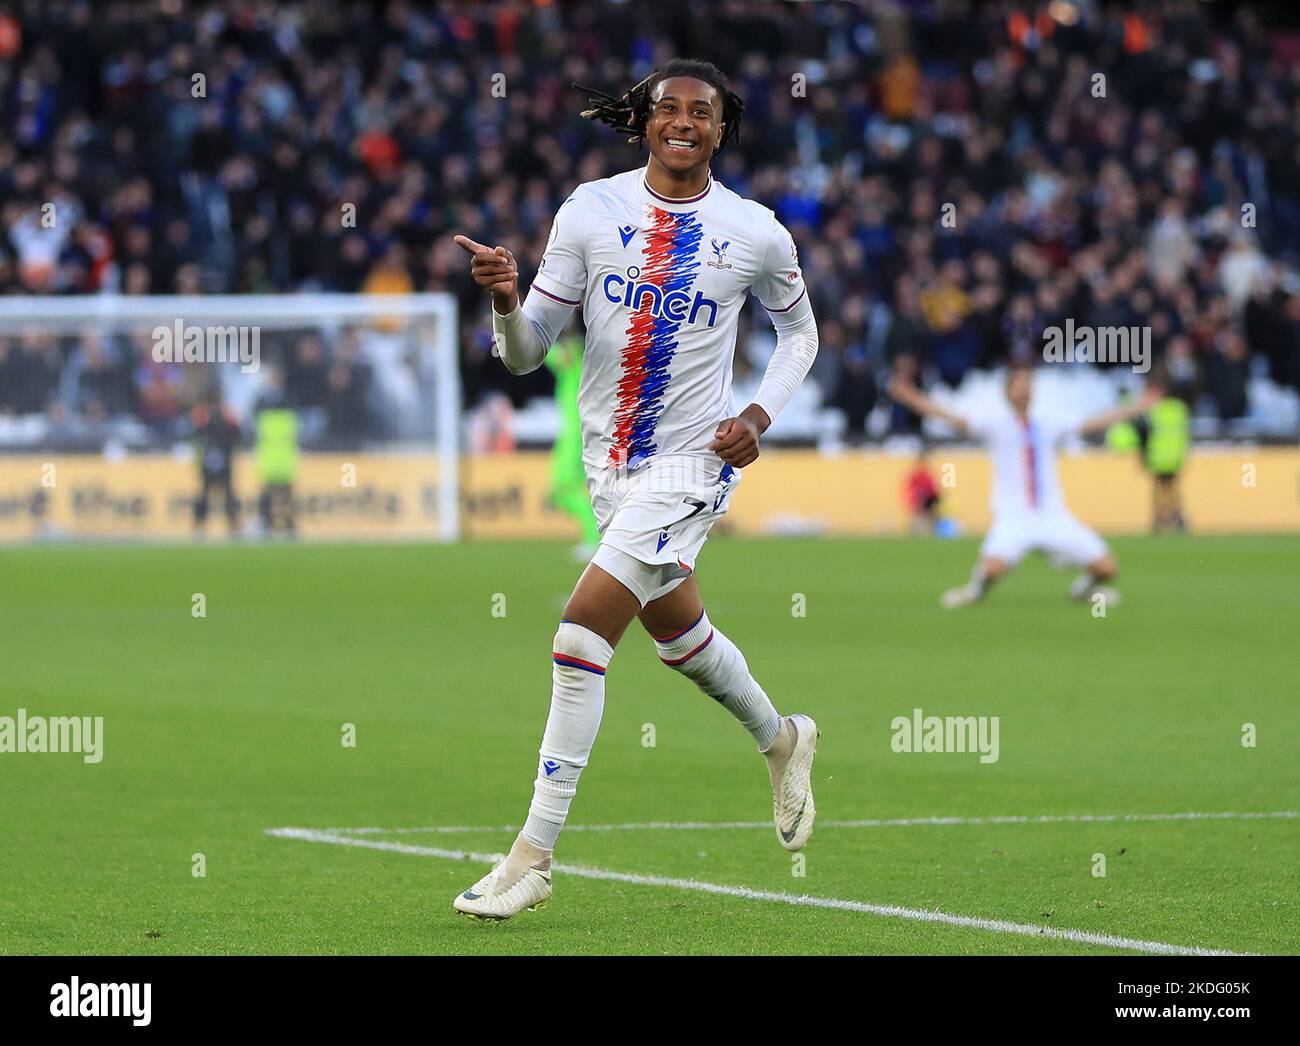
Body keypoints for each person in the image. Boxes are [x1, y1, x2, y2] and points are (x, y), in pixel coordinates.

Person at [450, 59, 821, 920]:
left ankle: (533, 856)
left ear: (722, 128)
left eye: (702, 111)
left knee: (579, 636)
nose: (683, 122)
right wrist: (506, 304)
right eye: (669, 109)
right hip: (610, 468)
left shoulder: (756, 231)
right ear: (646, 122)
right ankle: (783, 738)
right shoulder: (590, 210)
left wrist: (758, 416)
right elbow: (526, 351)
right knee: (678, 635)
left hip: (694, 467)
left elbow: (800, 335)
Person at [889, 365, 1160, 609]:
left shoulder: (1047, 422)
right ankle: (974, 592)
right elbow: (954, 419)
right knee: (992, 570)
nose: (1025, 389)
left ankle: (1082, 592)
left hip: (1052, 514)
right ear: (1008, 392)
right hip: (1014, 516)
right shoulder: (996, 424)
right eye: (1019, 384)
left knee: (1107, 569)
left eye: (1028, 384)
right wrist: (910, 398)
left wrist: (1136, 407)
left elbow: (1090, 424)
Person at [544, 331, 601, 556]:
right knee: (567, 489)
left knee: (562, 486)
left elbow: (546, 354)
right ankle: (595, 536)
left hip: (574, 434)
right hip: (573, 431)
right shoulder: (575, 360)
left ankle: (593, 537)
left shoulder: (573, 360)